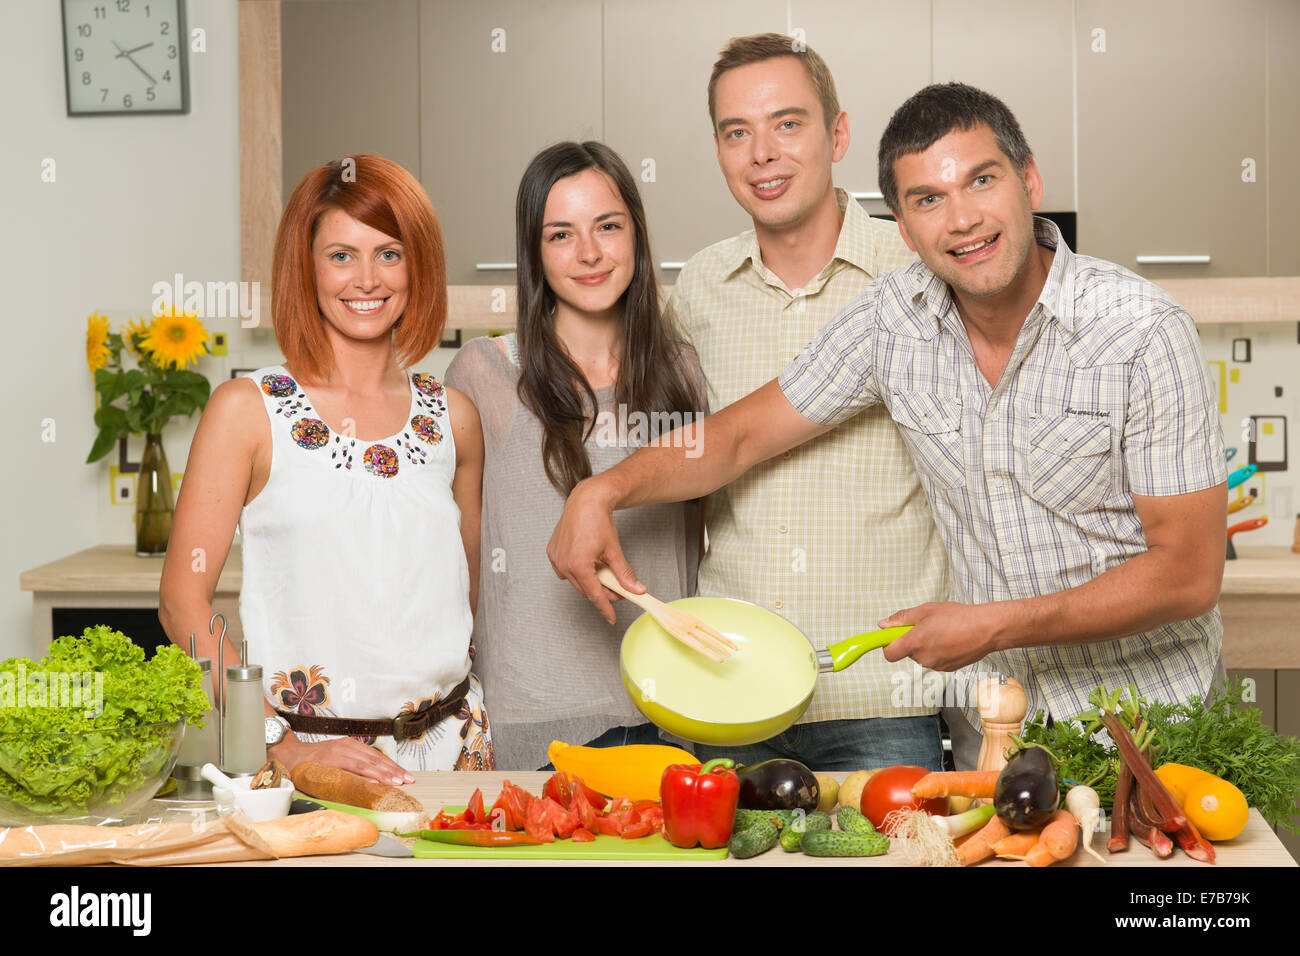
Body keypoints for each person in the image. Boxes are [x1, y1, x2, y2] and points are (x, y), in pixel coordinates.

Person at [548, 82, 1227, 771]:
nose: (961, 219)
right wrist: (601, 493)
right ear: (902, 228)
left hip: (1151, 726)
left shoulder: (1142, 332)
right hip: (999, 733)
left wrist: (992, 624)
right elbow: (736, 438)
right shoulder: (893, 320)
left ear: (1029, 180)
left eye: (981, 181)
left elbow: (1189, 574)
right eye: (929, 199)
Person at [660, 34, 951, 771]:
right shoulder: (699, 288)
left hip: (880, 698)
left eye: (788, 123)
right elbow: (689, 451)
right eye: (737, 132)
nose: (762, 152)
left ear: (839, 134)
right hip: (731, 690)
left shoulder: (918, 271)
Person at [159, 154, 493, 784]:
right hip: (305, 763)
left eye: (389, 253)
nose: (367, 279)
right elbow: (182, 601)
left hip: (458, 758)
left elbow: (465, 597)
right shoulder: (246, 411)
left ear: (418, 266)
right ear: (305, 267)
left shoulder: (456, 418)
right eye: (341, 255)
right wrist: (277, 744)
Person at [444, 141, 708, 771]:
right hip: (533, 721)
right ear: (535, 253)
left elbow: (694, 548)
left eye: (608, 227)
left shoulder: (686, 374)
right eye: (561, 234)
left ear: (636, 239)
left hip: (666, 712)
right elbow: (463, 559)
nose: (589, 253)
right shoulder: (483, 374)